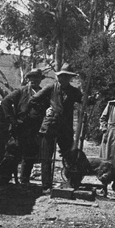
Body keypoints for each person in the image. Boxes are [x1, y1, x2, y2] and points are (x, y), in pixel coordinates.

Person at [31, 63, 84, 194]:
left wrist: (91, 97)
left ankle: (71, 182)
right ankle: (46, 185)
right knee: (46, 157)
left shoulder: (74, 91)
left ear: (70, 78)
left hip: (65, 128)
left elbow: (84, 101)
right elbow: (34, 99)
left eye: (67, 77)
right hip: (50, 125)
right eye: (62, 76)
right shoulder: (50, 88)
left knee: (70, 157)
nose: (64, 79)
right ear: (58, 77)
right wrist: (46, 108)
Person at [0, 69, 46, 185]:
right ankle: (3, 178)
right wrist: (12, 120)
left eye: (36, 77)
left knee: (30, 155)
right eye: (31, 77)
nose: (33, 80)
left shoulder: (43, 93)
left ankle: (24, 180)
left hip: (35, 128)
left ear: (40, 79)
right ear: (28, 79)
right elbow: (6, 102)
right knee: (13, 153)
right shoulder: (21, 91)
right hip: (20, 127)